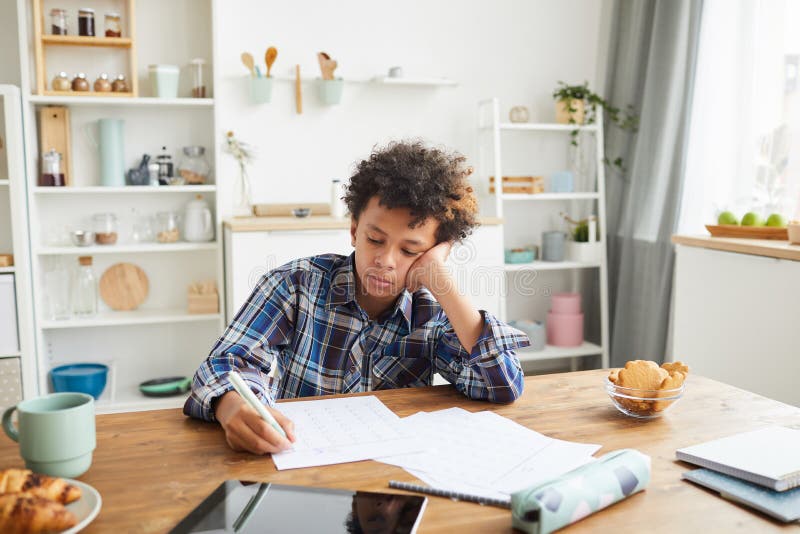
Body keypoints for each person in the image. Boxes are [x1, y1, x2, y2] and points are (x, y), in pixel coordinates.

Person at [183, 141, 529, 454]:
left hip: (392, 465)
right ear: (354, 230)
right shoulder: (296, 285)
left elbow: (502, 384)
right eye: (375, 240)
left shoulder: (434, 315)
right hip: (301, 460)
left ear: (435, 254)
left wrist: (444, 283)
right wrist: (232, 407)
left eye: (410, 250)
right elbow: (225, 364)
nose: (385, 260)